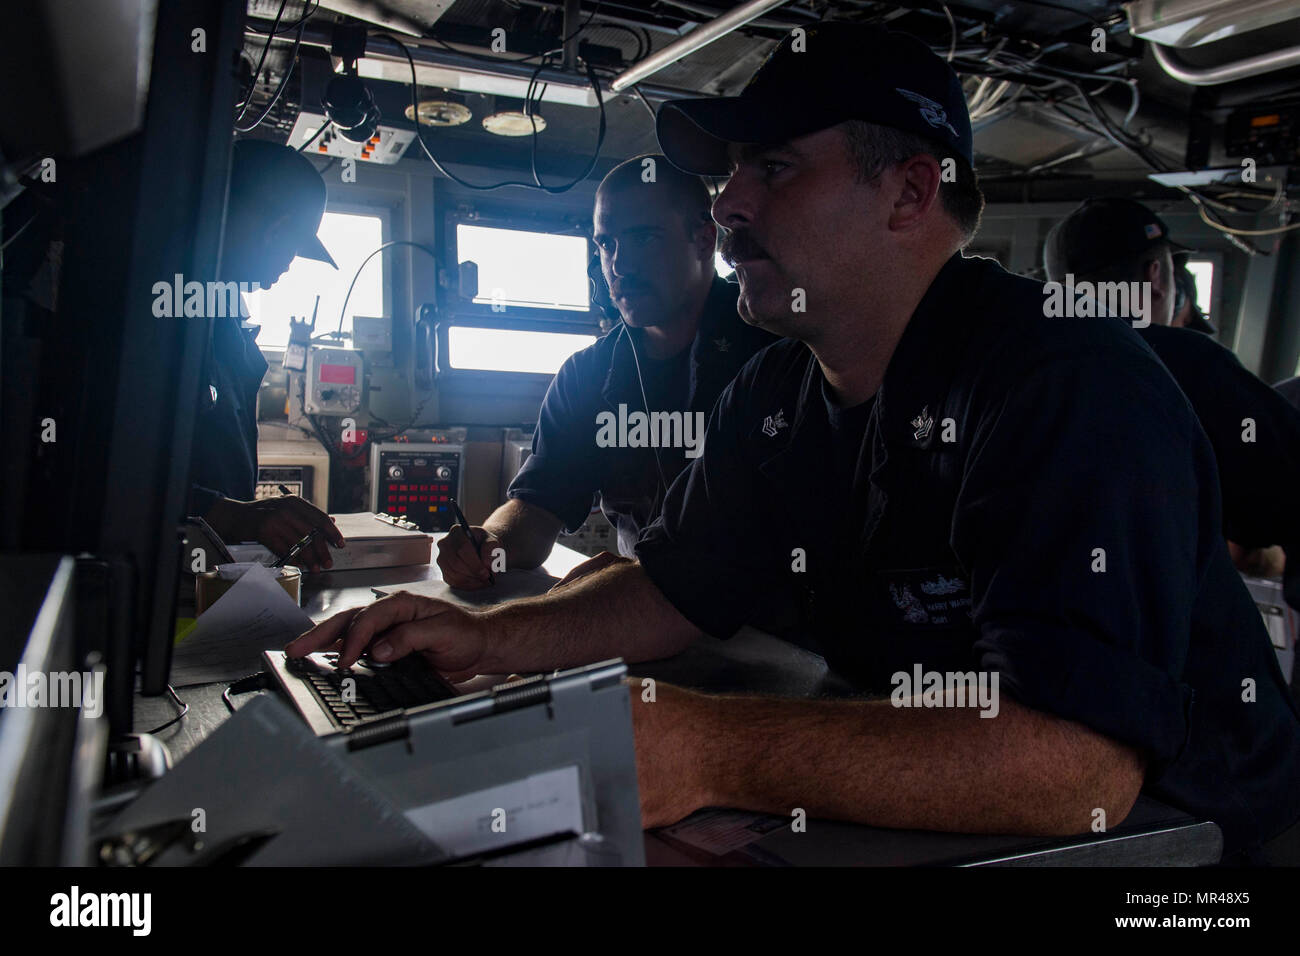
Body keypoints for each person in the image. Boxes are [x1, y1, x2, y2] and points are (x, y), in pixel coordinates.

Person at [291, 23, 1300, 862]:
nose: (727, 205)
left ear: (909, 192)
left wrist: (711, 744)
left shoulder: (1060, 383)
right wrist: (486, 639)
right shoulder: (778, 390)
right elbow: (669, 588)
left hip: (1179, 846)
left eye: (772, 168)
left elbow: (1073, 768)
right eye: (731, 177)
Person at [436, 154, 776, 588]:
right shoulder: (587, 375)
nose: (619, 265)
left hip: (761, 621)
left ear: (704, 239)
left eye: (643, 239)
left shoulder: (774, 349)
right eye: (606, 244)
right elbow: (538, 505)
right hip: (641, 609)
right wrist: (489, 544)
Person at [1044, 198, 1300, 609]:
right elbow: (1281, 499)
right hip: (1159, 638)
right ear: (1156, 275)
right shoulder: (1186, 364)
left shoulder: (1021, 366)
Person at [189, 138, 344, 571]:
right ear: (275, 229)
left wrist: (242, 517)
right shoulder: (168, 308)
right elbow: (113, 467)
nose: (290, 263)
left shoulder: (222, 311)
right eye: (293, 245)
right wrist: (235, 515)